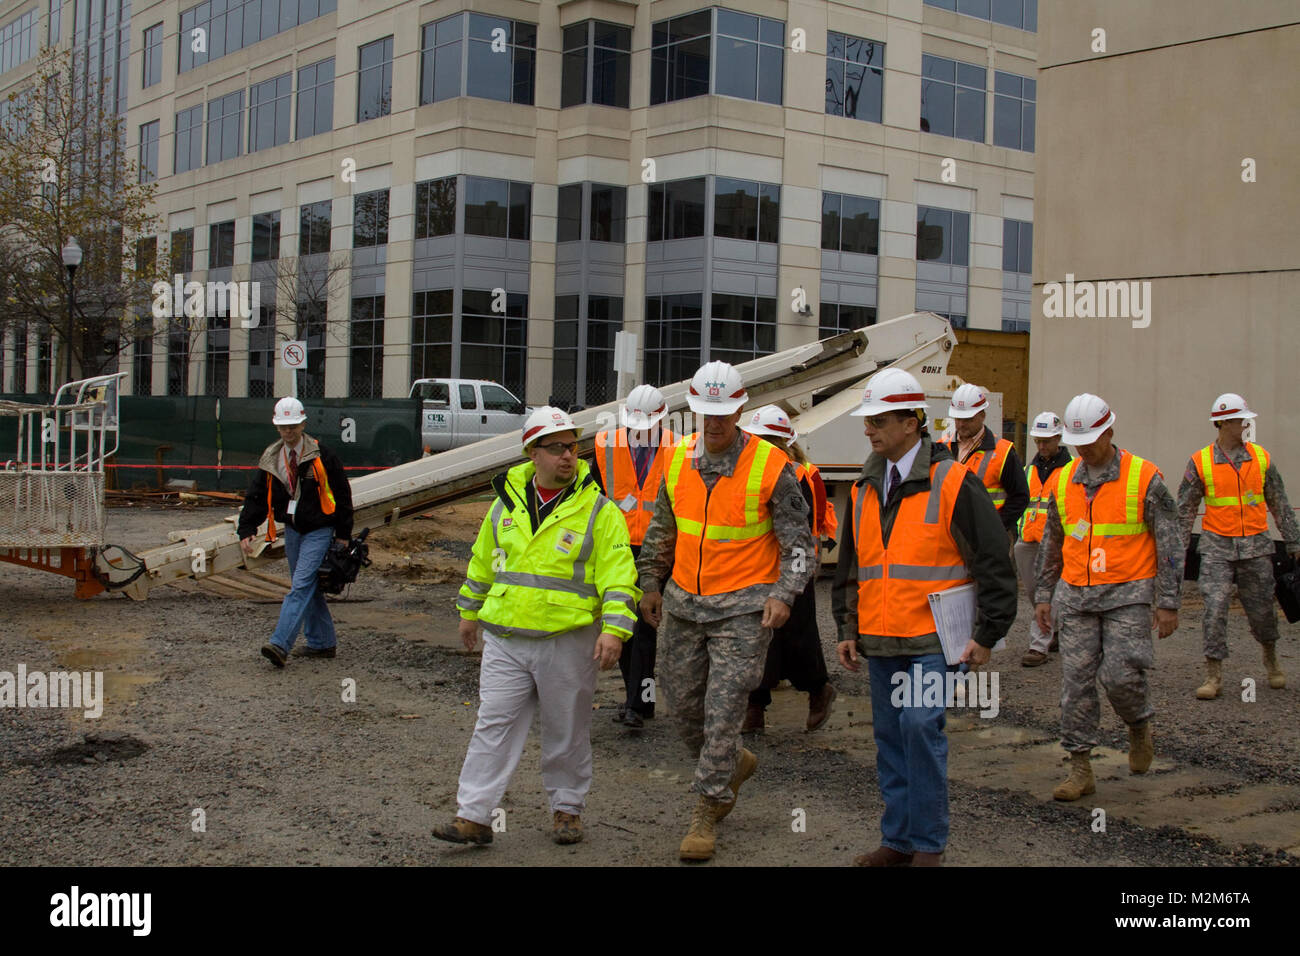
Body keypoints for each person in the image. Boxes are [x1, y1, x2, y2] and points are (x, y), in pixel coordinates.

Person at [831, 368, 1017, 867]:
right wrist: (848, 629)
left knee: (918, 725)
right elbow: (852, 567)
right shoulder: (865, 486)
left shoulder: (952, 481)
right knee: (890, 737)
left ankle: (928, 848)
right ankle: (898, 841)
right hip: (881, 636)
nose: (869, 429)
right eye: (867, 420)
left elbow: (994, 561)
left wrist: (988, 634)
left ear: (912, 422)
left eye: (879, 420)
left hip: (937, 639)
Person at [433, 407, 640, 848]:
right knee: (493, 725)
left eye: (572, 447)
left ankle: (567, 809)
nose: (568, 456)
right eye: (556, 448)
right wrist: (469, 612)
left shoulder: (600, 512)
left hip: (566, 640)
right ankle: (473, 815)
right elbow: (483, 561)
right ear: (532, 452)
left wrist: (615, 630)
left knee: (566, 729)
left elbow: (620, 575)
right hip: (506, 637)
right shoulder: (504, 505)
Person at [637, 361, 814, 862]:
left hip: (743, 609)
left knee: (723, 710)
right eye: (704, 414)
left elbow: (799, 545)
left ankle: (707, 807)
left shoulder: (770, 467)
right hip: (684, 606)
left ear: (740, 408)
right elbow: (662, 529)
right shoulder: (676, 460)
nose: (713, 423)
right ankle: (731, 764)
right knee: (682, 706)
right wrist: (650, 581)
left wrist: (784, 593)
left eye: (722, 414)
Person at [1034, 393, 1183, 802]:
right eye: (1078, 441)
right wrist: (1044, 594)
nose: (1085, 448)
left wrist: (1167, 601)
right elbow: (1052, 542)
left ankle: (1138, 724)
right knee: (1075, 684)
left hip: (1128, 596)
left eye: (1093, 439)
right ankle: (1080, 767)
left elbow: (1170, 542)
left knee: (1119, 677)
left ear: (1110, 431)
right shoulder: (1064, 480)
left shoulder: (1144, 477)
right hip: (1077, 598)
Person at [1176, 393, 1300, 698]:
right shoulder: (1201, 462)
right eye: (1240, 419)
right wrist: (1177, 551)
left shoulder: (1261, 458)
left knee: (1262, 611)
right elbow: (1184, 510)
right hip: (1216, 548)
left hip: (1257, 548)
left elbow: (1279, 502)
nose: (1245, 423)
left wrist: (1294, 540)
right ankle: (1213, 674)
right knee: (1214, 610)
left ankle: (1270, 659)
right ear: (1223, 423)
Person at [738, 405, 837, 733]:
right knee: (758, 638)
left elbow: (813, 522)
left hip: (792, 570)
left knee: (798, 638)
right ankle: (755, 706)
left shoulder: (800, 474)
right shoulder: (749, 470)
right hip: (757, 568)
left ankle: (817, 690)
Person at [238, 396, 354, 667]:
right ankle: (322, 643)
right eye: (283, 426)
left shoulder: (322, 456)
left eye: (293, 425)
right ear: (277, 427)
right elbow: (257, 495)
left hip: (319, 529)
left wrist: (343, 533)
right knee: (309, 587)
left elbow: (342, 494)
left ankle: (280, 644)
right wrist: (246, 527)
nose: (288, 431)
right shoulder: (271, 458)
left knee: (300, 585)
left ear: (303, 423)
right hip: (293, 530)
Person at [593, 384, 677, 729]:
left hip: (657, 548)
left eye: (645, 426)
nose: (637, 432)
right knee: (630, 625)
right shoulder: (604, 446)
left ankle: (636, 704)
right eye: (633, 425)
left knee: (643, 626)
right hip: (619, 545)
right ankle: (641, 701)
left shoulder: (680, 449)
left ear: (661, 420)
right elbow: (595, 496)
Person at [1017, 412, 1074, 667]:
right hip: (1027, 539)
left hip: (1057, 543)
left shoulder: (1072, 469)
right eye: (1038, 441)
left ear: (1058, 438)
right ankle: (1054, 629)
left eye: (1047, 441)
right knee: (1034, 591)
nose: (1042, 446)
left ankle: (1038, 644)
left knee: (1048, 592)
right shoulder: (1028, 469)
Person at [946, 383, 1030, 539]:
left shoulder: (1003, 452)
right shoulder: (943, 447)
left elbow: (1020, 497)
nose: (962, 424)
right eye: (958, 419)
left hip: (989, 537)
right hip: (951, 535)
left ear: (982, 415)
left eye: (968, 419)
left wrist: (997, 527)